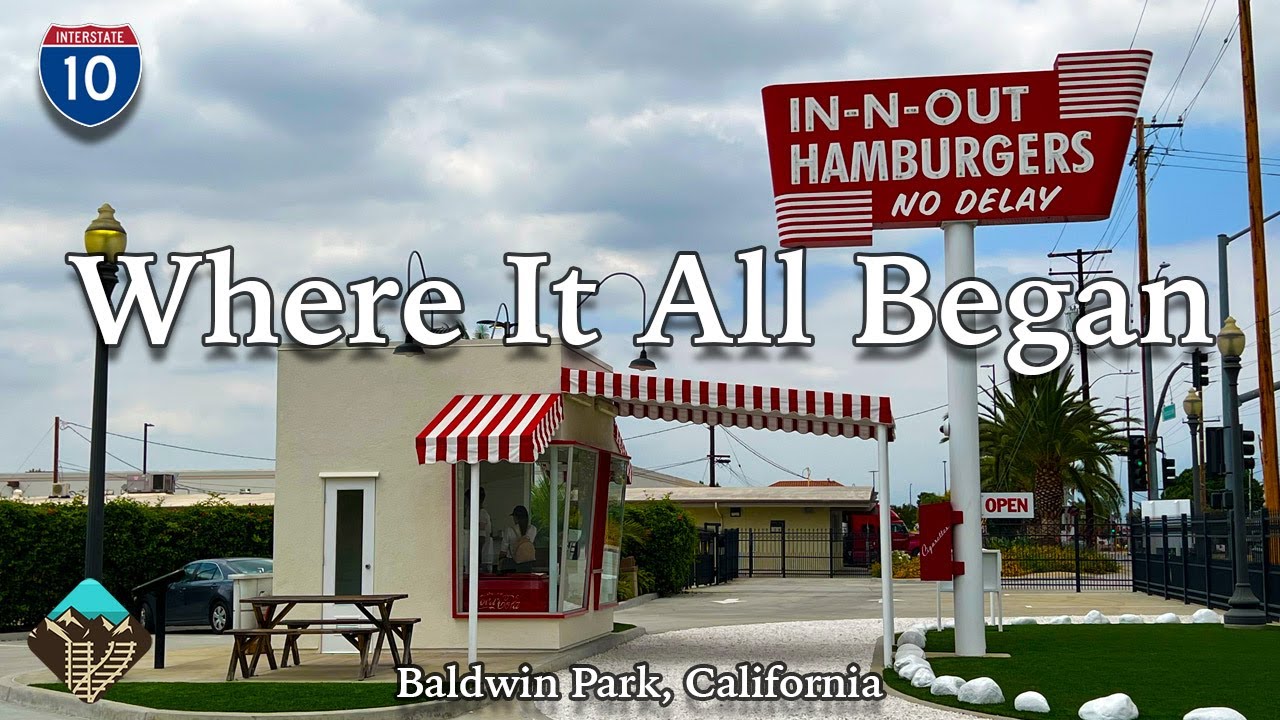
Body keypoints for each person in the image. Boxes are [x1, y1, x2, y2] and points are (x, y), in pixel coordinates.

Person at [462, 488, 494, 573]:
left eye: (467, 501)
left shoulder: (481, 514)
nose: (466, 504)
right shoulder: (479, 513)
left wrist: (477, 560)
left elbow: (481, 538)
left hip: (480, 560)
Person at [499, 505, 538, 571]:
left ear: (516, 518)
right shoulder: (533, 529)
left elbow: (503, 551)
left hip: (512, 563)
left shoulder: (509, 530)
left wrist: (500, 562)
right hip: (527, 563)